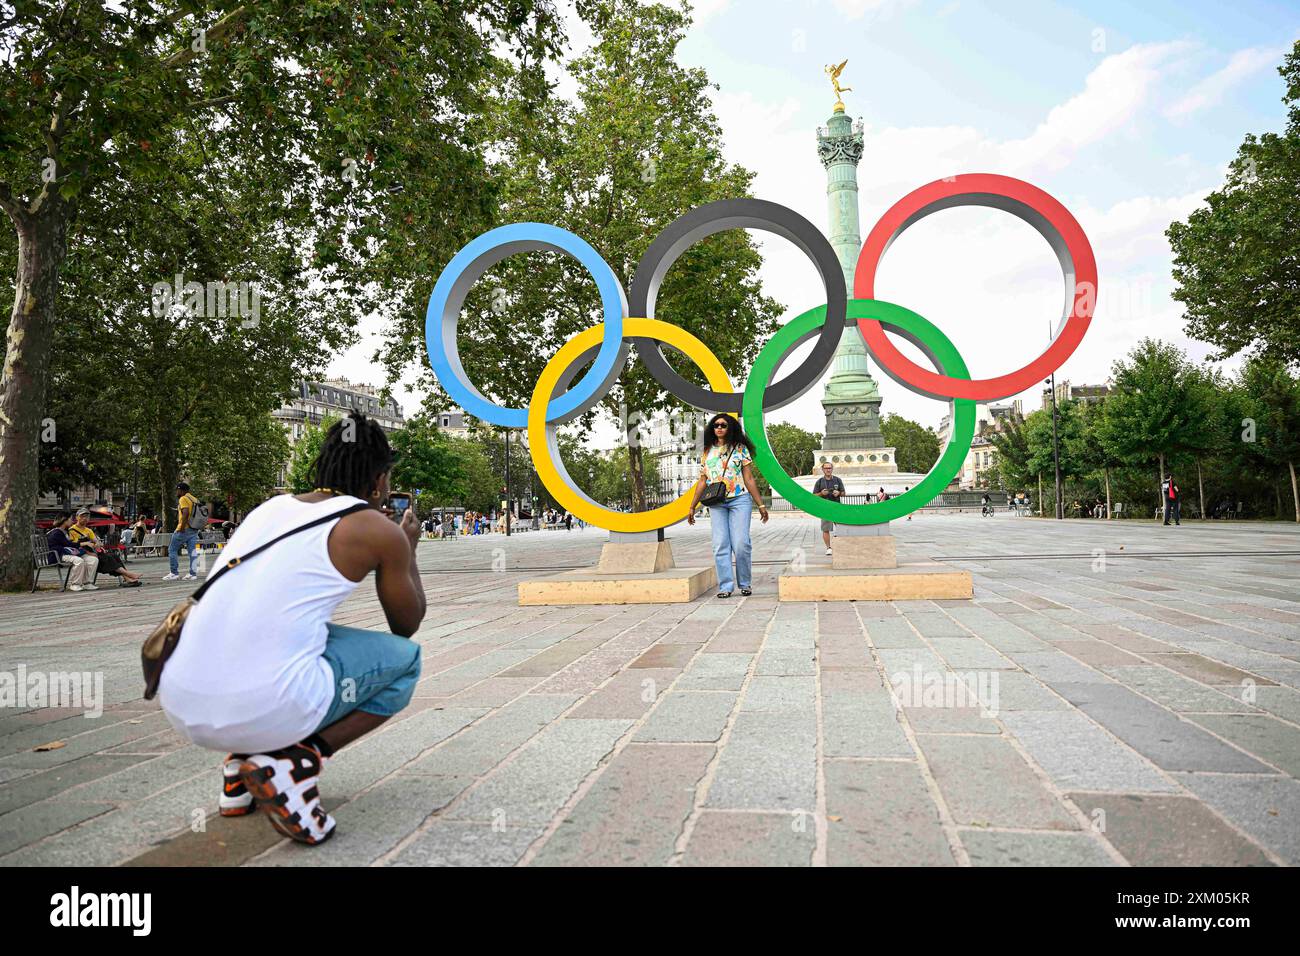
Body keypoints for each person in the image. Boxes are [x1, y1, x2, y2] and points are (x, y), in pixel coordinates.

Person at [158, 412, 426, 846]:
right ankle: (294, 760)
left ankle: (239, 768)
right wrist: (407, 550)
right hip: (258, 703)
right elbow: (406, 624)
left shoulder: (270, 508)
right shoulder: (377, 528)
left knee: (300, 633)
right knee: (405, 663)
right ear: (378, 480)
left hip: (180, 697)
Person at [687, 413, 769, 598]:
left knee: (741, 543)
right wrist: (692, 506)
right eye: (716, 425)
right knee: (720, 544)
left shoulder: (740, 449)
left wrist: (761, 505)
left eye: (723, 425)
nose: (719, 428)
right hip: (716, 503)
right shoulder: (707, 451)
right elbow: (702, 481)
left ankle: (745, 583)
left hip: (739, 499)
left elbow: (748, 478)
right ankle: (725, 586)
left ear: (730, 427)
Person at [67, 510, 143, 586]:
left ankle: (127, 578)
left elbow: (96, 541)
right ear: (77, 517)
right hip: (85, 555)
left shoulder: (88, 530)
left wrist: (97, 543)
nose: (85, 518)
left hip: (95, 553)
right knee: (109, 558)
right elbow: (75, 546)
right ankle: (129, 575)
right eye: (82, 516)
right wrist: (88, 546)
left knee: (114, 556)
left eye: (87, 516)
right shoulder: (72, 530)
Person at [46, 514, 99, 592]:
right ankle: (75, 584)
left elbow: (70, 544)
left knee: (93, 559)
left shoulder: (65, 531)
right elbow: (68, 544)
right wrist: (84, 543)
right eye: (70, 519)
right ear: (65, 521)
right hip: (59, 555)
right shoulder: (56, 532)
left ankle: (87, 583)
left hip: (69, 553)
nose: (72, 521)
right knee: (79, 561)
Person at [163, 482, 201, 581]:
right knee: (192, 552)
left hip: (184, 528)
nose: (177, 492)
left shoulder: (183, 498)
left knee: (172, 549)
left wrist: (182, 527)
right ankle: (193, 574)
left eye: (177, 490)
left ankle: (174, 573)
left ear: (182, 490)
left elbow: (186, 512)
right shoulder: (194, 499)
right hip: (194, 528)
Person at [812, 461, 845, 555]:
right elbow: (814, 495)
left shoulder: (838, 480)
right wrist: (821, 493)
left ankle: (841, 546)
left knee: (842, 526)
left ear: (832, 469)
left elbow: (843, 493)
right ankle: (828, 547)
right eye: (826, 468)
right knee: (826, 529)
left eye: (829, 468)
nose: (828, 470)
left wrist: (838, 493)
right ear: (822, 469)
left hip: (837, 507)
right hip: (825, 508)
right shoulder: (819, 481)